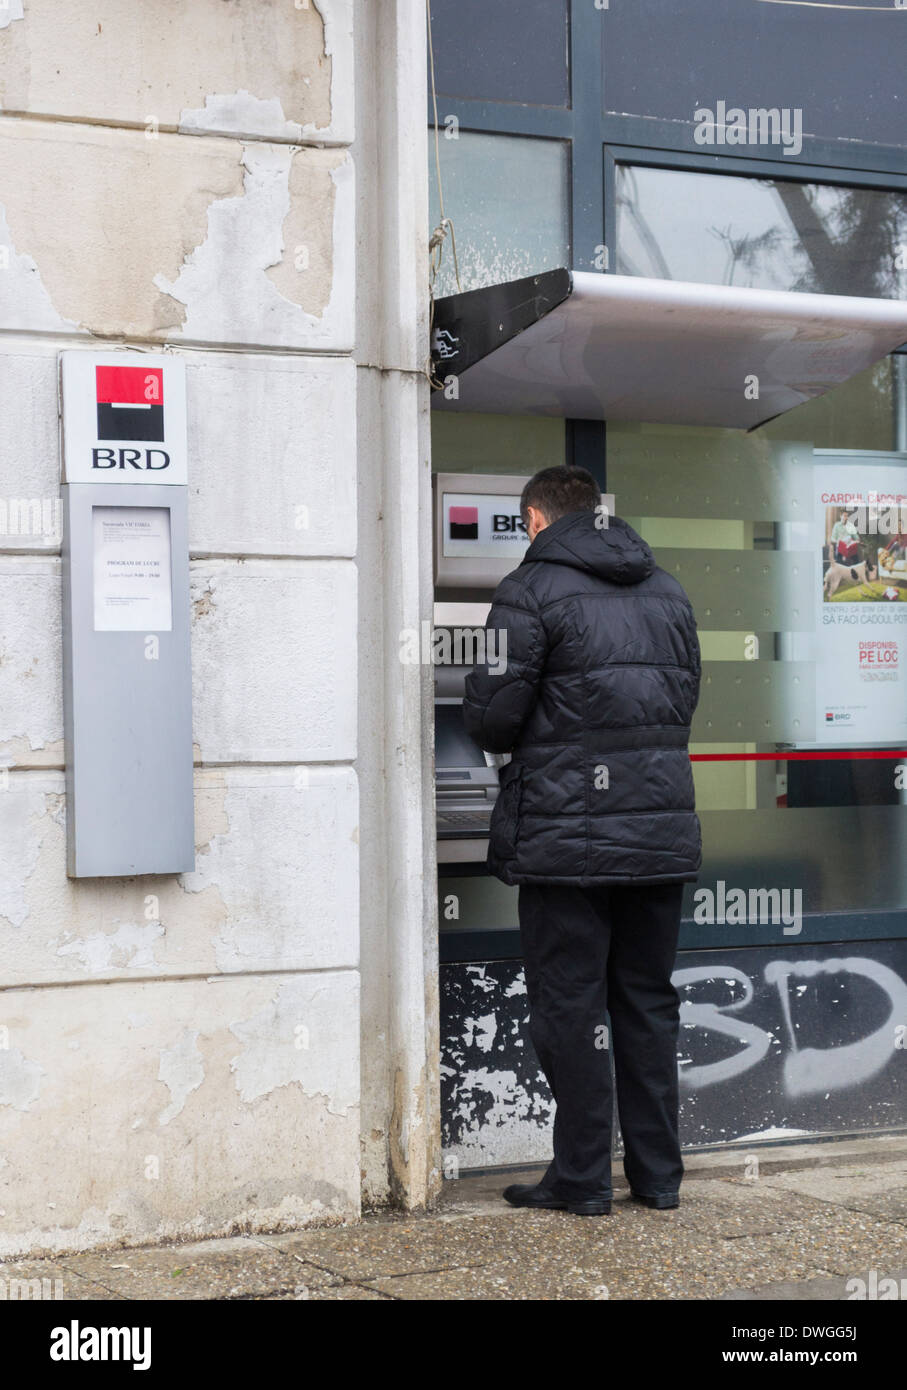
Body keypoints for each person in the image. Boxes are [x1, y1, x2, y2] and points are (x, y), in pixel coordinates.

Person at [463, 465, 702, 1217]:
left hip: (566, 841)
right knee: (646, 1003)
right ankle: (658, 1177)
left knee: (570, 1009)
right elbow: (682, 700)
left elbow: (492, 717)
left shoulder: (526, 591)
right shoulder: (667, 590)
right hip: (657, 831)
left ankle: (582, 1178)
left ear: (534, 519)